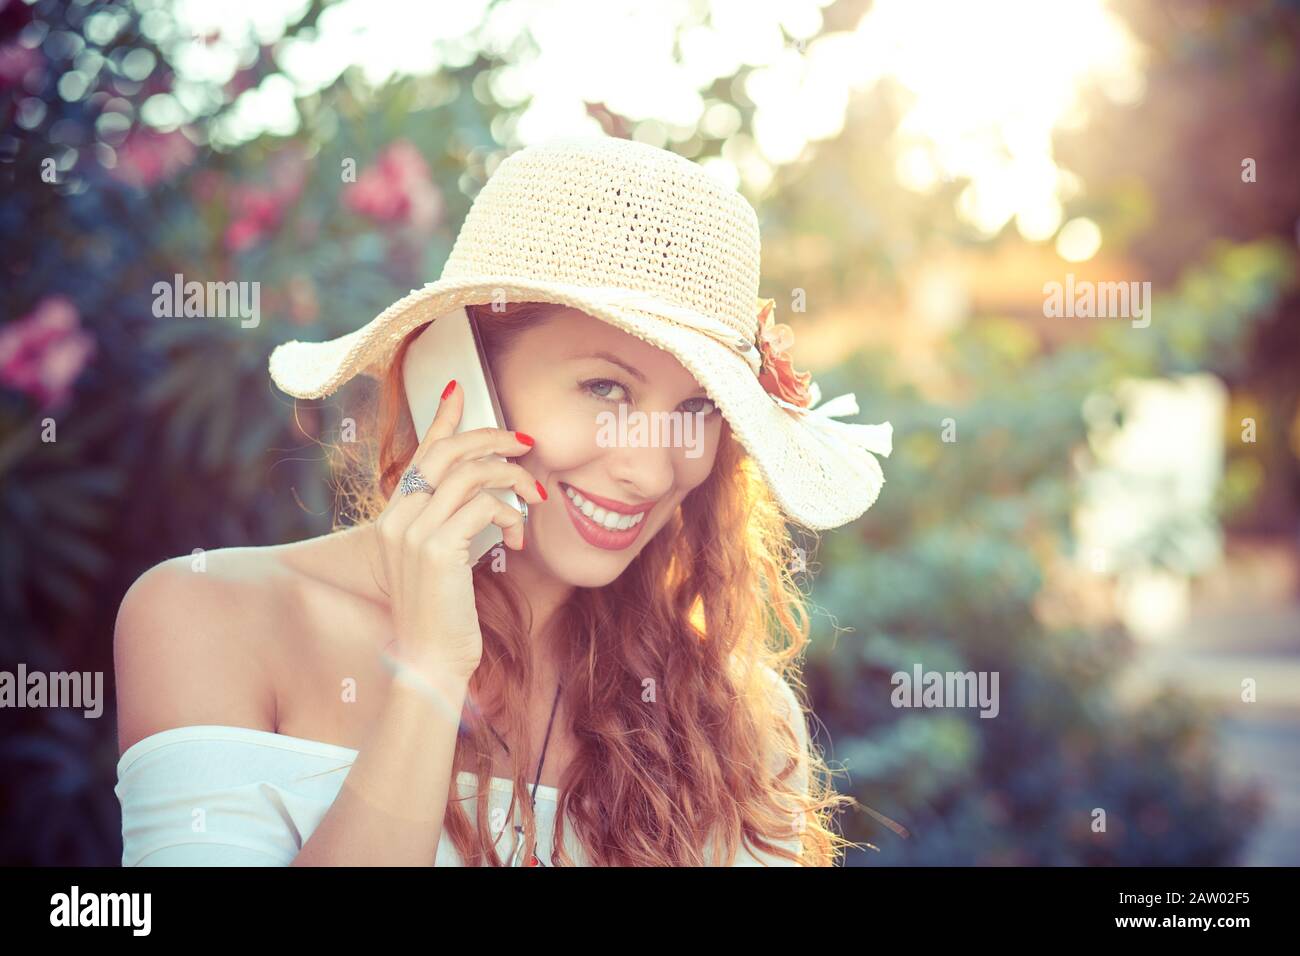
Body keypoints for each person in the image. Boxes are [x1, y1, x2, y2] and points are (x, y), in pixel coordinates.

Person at [113, 136, 892, 866]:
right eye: (604, 387)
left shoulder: (744, 721)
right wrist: (429, 670)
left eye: (697, 411)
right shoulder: (208, 617)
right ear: (455, 370)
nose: (653, 474)